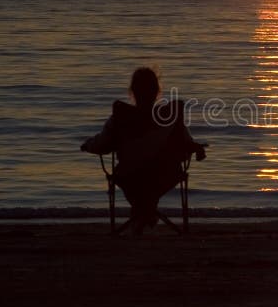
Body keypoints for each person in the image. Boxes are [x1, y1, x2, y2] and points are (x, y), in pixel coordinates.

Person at [81, 67, 206, 234]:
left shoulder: (121, 116)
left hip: (130, 175)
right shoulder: (170, 116)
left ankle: (142, 214)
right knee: (151, 187)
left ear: (132, 91)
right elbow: (186, 143)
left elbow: (102, 144)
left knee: (137, 184)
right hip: (165, 175)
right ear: (157, 91)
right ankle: (146, 212)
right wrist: (197, 148)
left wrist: (87, 145)